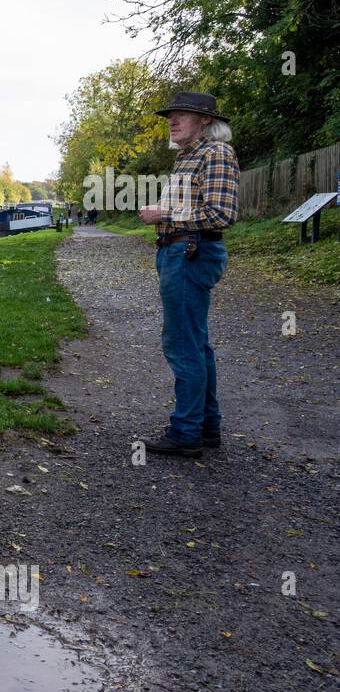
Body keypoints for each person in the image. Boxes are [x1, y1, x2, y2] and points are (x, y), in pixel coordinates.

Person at [139, 91, 238, 458]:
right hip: (180, 251)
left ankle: (185, 432)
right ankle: (205, 426)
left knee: (182, 343)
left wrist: (163, 215)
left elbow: (221, 215)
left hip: (191, 252)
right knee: (196, 341)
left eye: (183, 115)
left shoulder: (215, 154)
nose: (173, 120)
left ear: (206, 122)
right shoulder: (188, 156)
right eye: (172, 115)